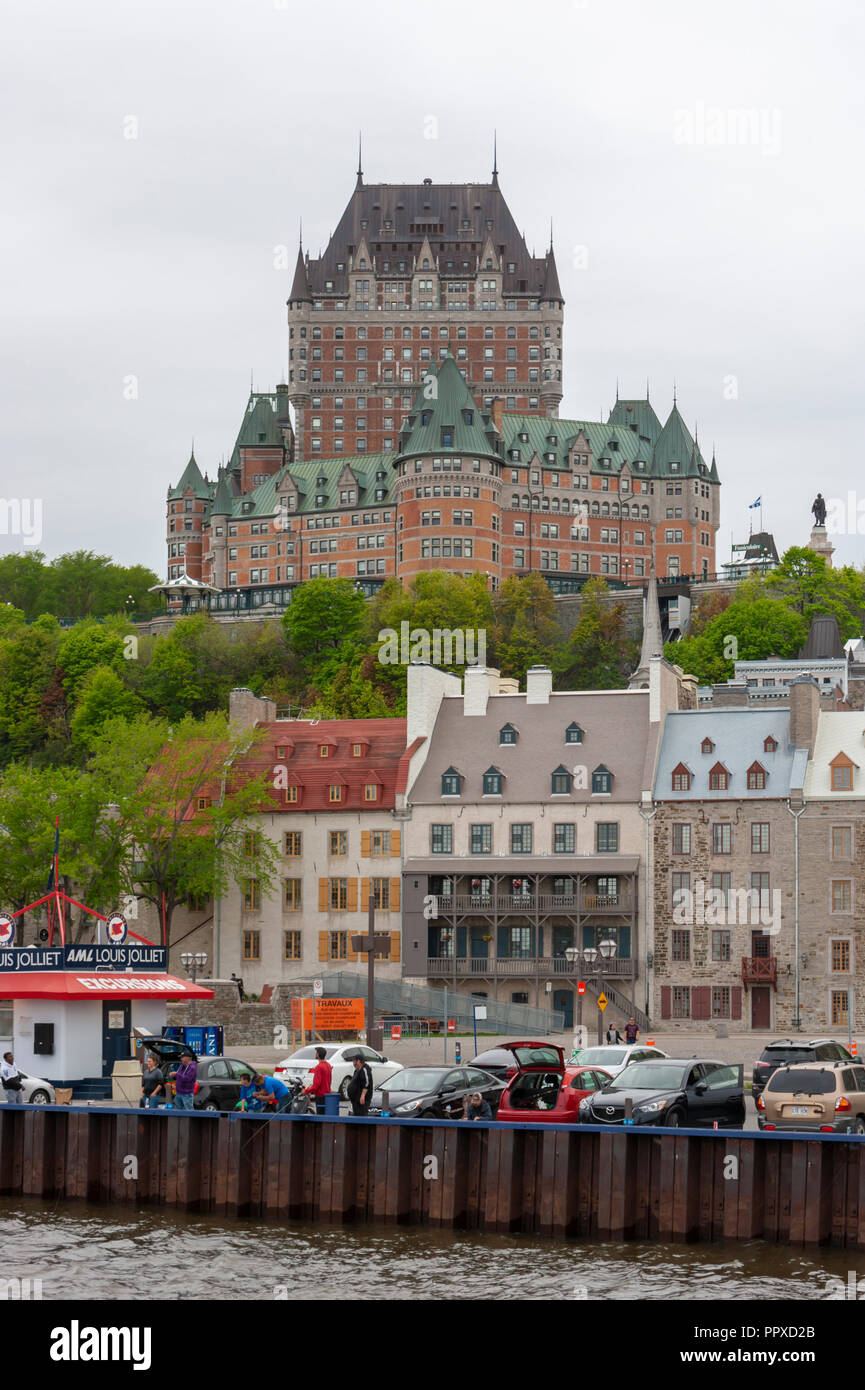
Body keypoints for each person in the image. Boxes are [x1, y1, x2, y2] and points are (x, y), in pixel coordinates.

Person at [304, 1046, 333, 1114]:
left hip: (320, 1096)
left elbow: (316, 1085)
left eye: (316, 1052)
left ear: (318, 1054)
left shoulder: (318, 1067)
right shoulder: (328, 1065)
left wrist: (306, 1091)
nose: (315, 1054)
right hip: (327, 1095)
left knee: (320, 1116)